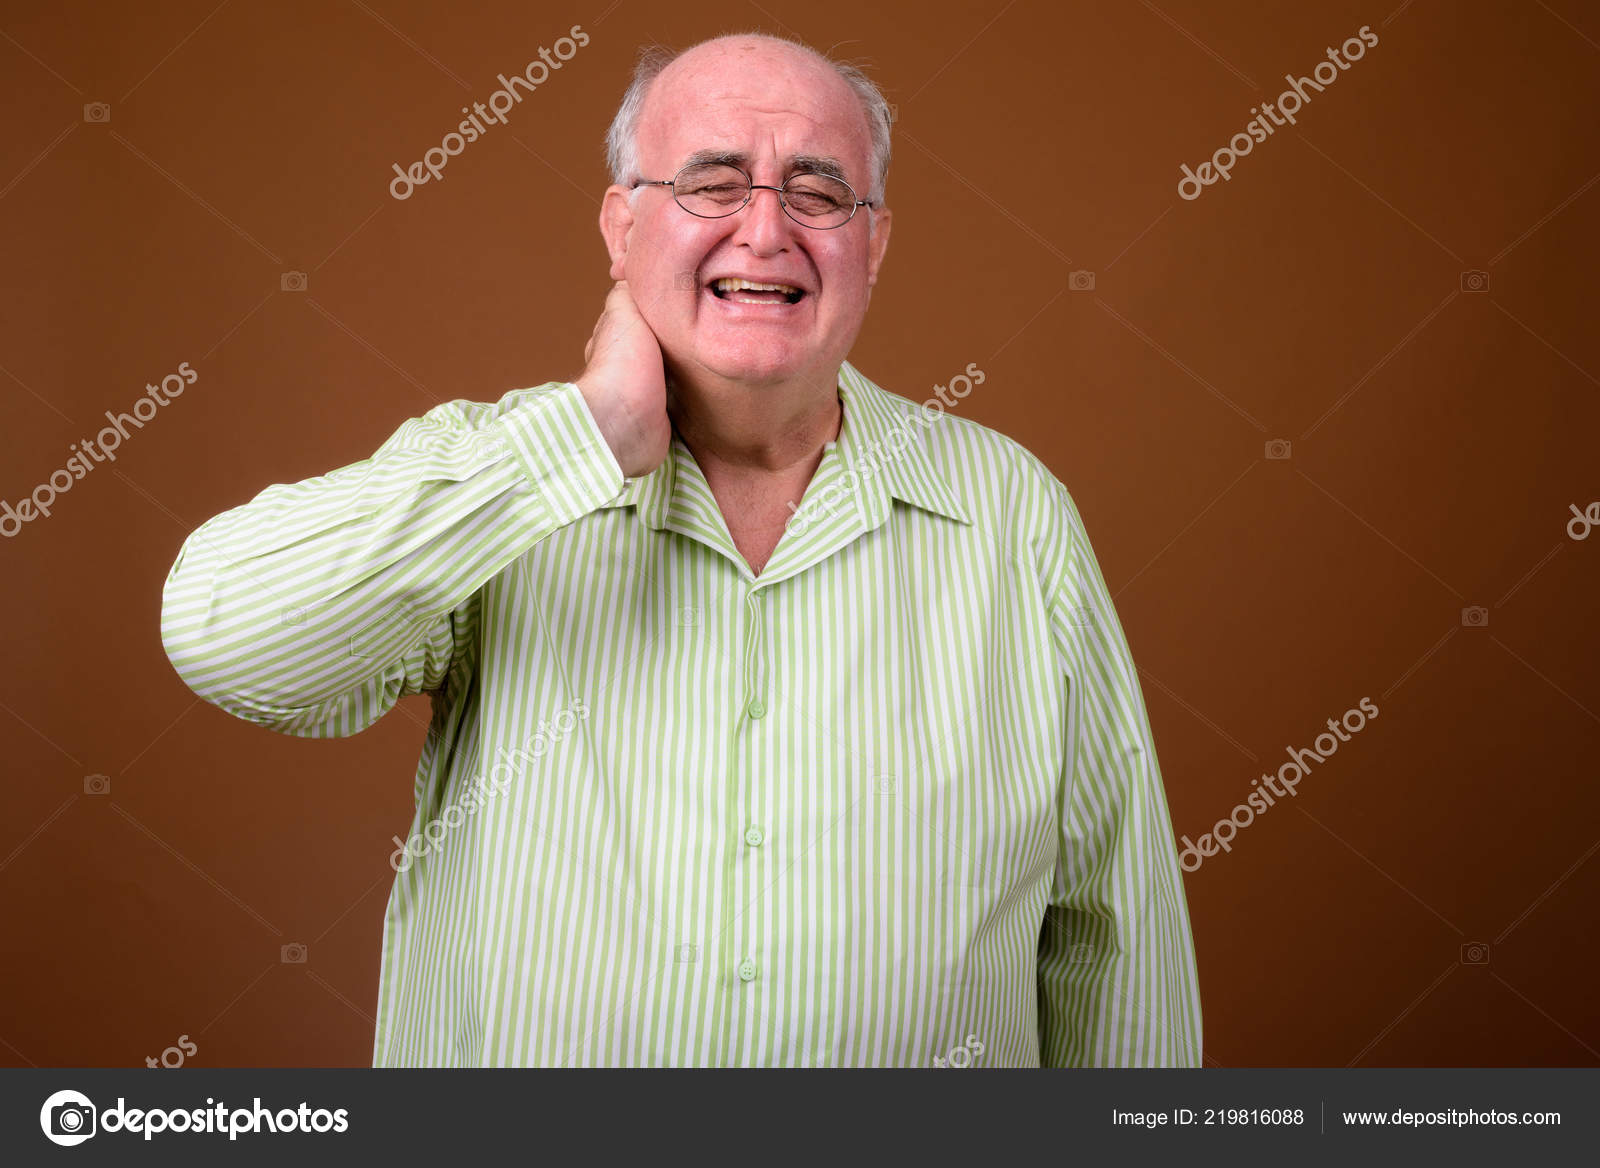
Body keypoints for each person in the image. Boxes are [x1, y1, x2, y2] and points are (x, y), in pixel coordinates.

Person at [160, 31, 1202, 1067]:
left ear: (872, 241)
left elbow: (1114, 941)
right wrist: (589, 434)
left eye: (817, 190)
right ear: (623, 225)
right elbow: (231, 637)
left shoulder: (1012, 513)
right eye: (711, 183)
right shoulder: (493, 469)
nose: (764, 231)